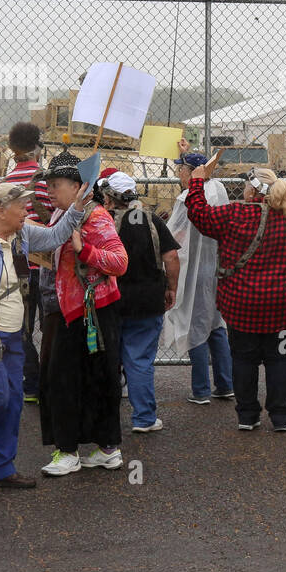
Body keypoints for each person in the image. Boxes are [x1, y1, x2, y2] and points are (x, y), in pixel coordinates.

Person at [0, 181, 90, 489]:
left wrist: (75, 210)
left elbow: (53, 237)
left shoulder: (20, 233)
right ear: (0, 209)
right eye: (21, 206)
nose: (27, 211)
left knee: (12, 402)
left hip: (11, 333)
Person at [185, 158, 286, 433]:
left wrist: (196, 183)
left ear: (252, 192)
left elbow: (200, 215)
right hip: (285, 308)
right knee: (281, 360)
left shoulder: (234, 215)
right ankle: (281, 417)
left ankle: (247, 415)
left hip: (242, 306)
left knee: (244, 359)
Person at [38, 150, 129, 477]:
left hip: (95, 312)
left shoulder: (97, 217)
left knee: (91, 379)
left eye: (55, 184)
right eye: (47, 184)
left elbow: (120, 263)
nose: (49, 190)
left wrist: (84, 250)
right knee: (65, 379)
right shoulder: (59, 215)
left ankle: (86, 450)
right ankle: (94, 447)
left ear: (79, 186)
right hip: (66, 309)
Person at [99, 169, 181, 433]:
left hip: (109, 301)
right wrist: (171, 288)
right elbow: (171, 258)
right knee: (139, 360)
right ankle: (144, 418)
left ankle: (104, 420)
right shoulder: (153, 221)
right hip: (147, 301)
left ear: (110, 197)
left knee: (107, 359)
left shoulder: (102, 222)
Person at [161, 149, 234, 405]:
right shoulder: (219, 189)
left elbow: (172, 233)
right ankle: (225, 383)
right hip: (216, 264)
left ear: (192, 172)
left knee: (194, 324)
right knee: (215, 323)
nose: (179, 173)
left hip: (193, 267)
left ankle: (201, 389)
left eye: (181, 168)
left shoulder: (187, 197)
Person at [3, 121, 55, 404]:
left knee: (21, 327)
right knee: (50, 325)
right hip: (47, 265)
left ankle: (31, 382)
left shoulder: (5, 185)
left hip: (18, 265)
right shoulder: (48, 180)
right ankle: (50, 379)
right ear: (37, 146)